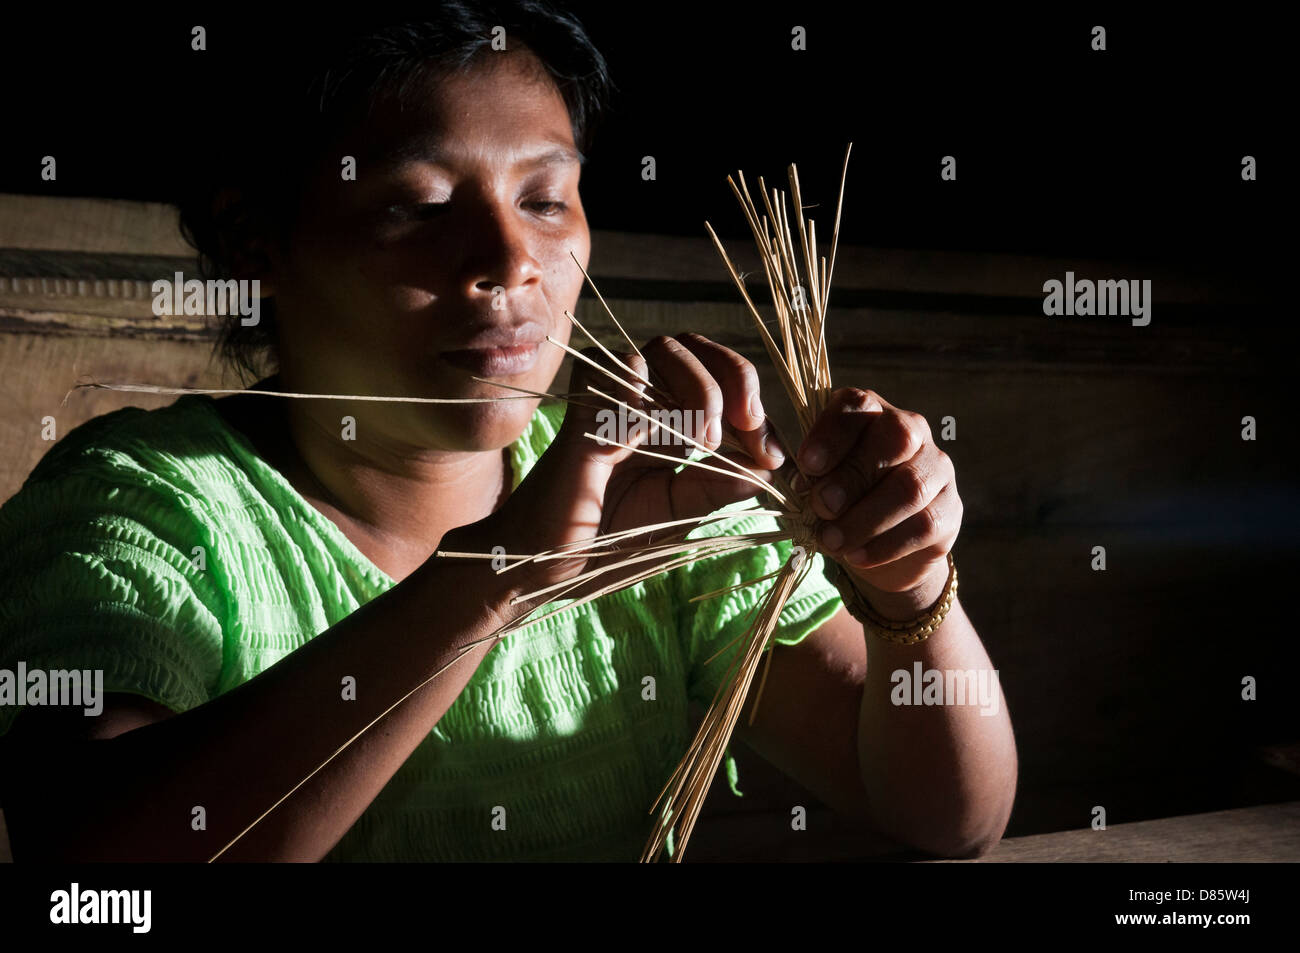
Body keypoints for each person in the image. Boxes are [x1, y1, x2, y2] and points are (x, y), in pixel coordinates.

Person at [0, 4, 1016, 862]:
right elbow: (92, 883)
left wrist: (908, 585)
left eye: (544, 197)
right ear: (252, 236)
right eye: (420, 206)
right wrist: (499, 572)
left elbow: (948, 816)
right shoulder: (145, 504)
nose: (509, 259)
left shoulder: (652, 512)